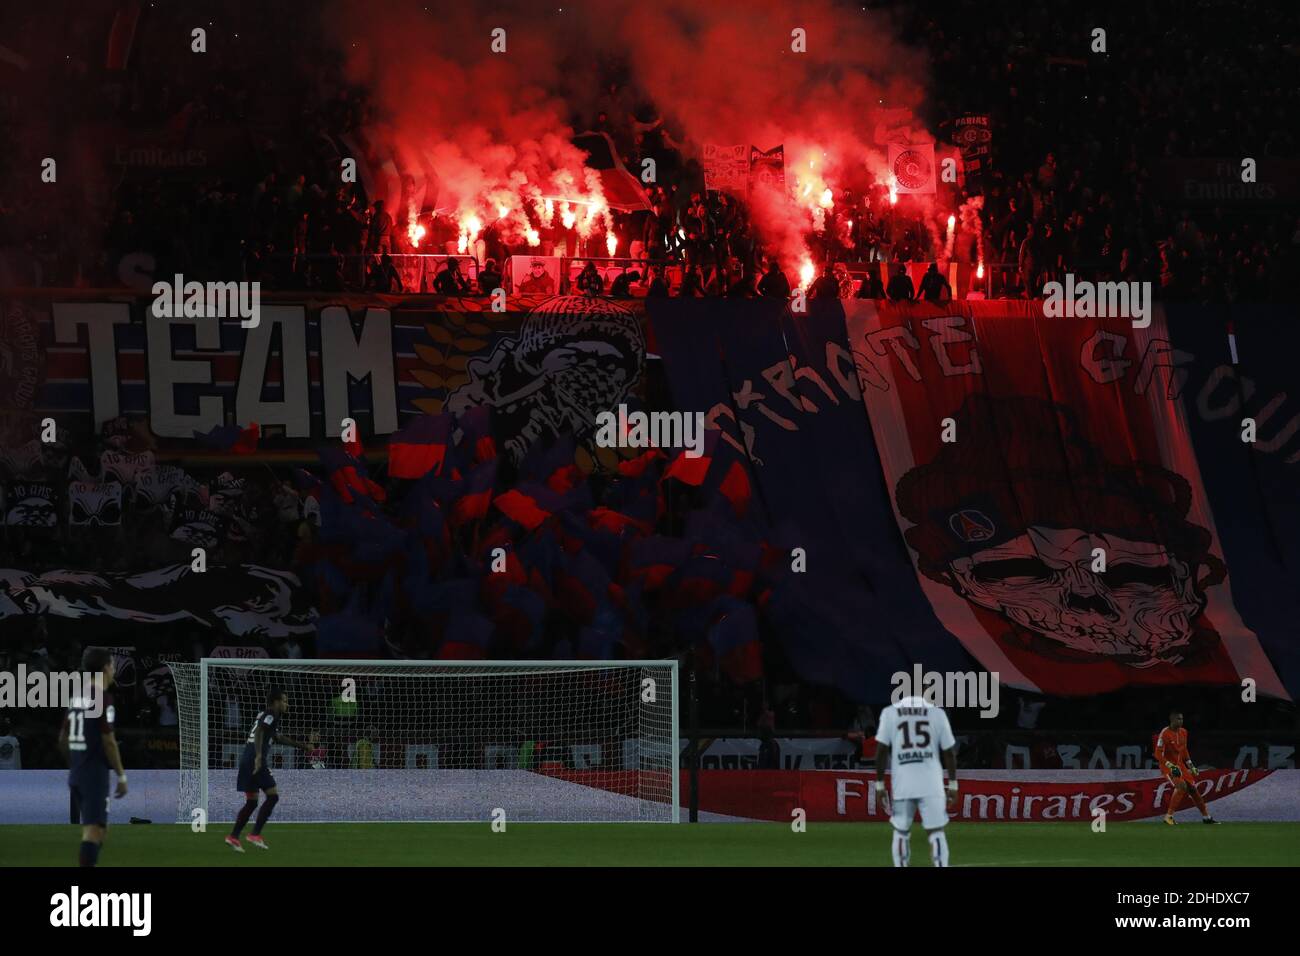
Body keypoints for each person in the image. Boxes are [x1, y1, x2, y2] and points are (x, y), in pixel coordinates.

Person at [59, 647, 127, 867]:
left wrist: (75, 764)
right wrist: (121, 776)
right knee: (93, 831)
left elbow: (63, 738)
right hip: (94, 774)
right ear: (107, 667)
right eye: (112, 664)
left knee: (99, 831)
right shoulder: (101, 697)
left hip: (78, 772)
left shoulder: (79, 695)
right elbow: (109, 741)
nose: (114, 668)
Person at [225, 687, 314, 852]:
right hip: (255, 760)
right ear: (276, 702)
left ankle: (233, 836)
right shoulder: (272, 714)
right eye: (285, 701)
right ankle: (255, 834)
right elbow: (259, 732)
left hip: (246, 760)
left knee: (252, 802)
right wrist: (259, 756)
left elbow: (277, 737)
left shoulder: (265, 716)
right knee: (272, 796)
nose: (287, 704)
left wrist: (302, 746)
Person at [874, 695, 958, 867]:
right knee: (936, 833)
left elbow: (881, 750)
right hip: (931, 783)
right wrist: (953, 784)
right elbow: (949, 752)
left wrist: (880, 784)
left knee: (901, 832)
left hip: (903, 783)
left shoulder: (890, 713)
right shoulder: (937, 714)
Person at [1156, 710, 1219, 825]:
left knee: (1193, 790)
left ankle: (1207, 817)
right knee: (1181, 786)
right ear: (1172, 720)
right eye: (1178, 719)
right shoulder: (1164, 733)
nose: (1181, 721)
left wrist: (1191, 766)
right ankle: (1168, 817)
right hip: (1167, 766)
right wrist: (1170, 766)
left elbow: (1184, 751)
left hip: (1181, 766)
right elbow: (1158, 754)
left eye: (1182, 719)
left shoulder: (1184, 732)